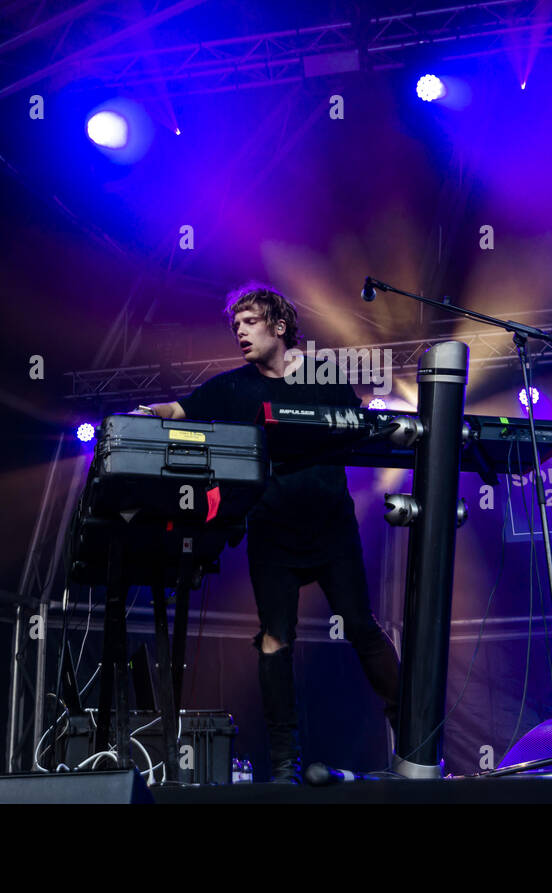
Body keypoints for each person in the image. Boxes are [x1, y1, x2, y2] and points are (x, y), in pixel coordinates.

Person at [136, 283, 401, 783]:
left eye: (249, 322)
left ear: (279, 327)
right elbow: (182, 411)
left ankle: (413, 738)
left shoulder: (323, 372)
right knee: (275, 638)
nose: (239, 332)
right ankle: (285, 764)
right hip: (272, 530)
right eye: (234, 325)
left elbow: (353, 422)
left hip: (329, 523)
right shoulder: (232, 387)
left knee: (361, 627)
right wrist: (146, 414)